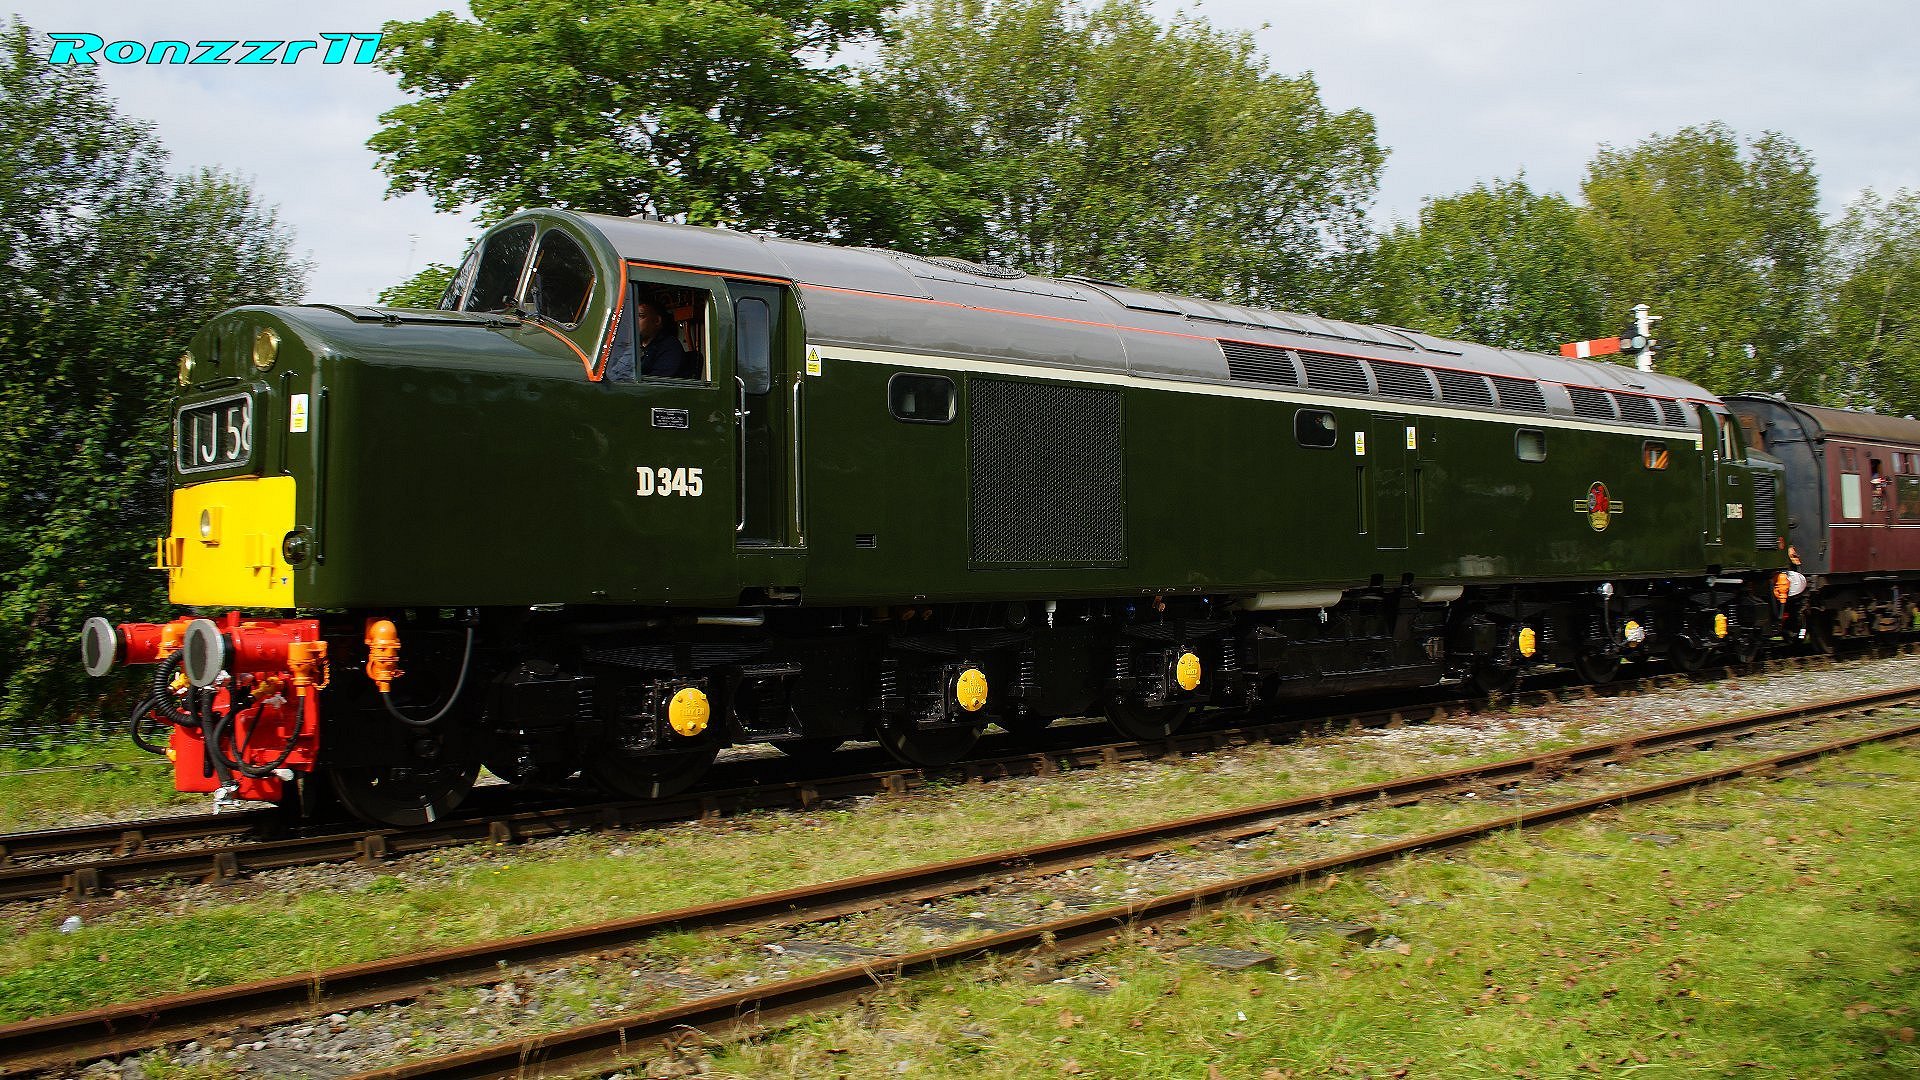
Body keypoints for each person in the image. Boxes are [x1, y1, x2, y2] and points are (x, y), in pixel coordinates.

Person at [636, 294, 695, 379]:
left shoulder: (670, 347)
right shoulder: (635, 349)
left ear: (657, 320)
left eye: (640, 316)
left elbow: (655, 384)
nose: (633, 321)